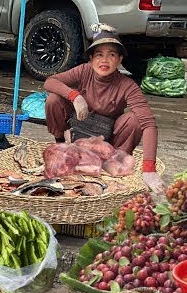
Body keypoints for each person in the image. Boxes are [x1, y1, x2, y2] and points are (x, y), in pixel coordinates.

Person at [43, 27, 163, 193]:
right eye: (99, 54)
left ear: (120, 60)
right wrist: (75, 96)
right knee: (53, 99)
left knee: (134, 119)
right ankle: (62, 149)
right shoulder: (84, 71)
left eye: (112, 54)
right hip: (77, 133)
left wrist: (149, 169)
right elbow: (50, 82)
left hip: (108, 142)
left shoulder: (127, 85)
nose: (104, 60)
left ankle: (116, 162)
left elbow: (148, 123)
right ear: (91, 59)